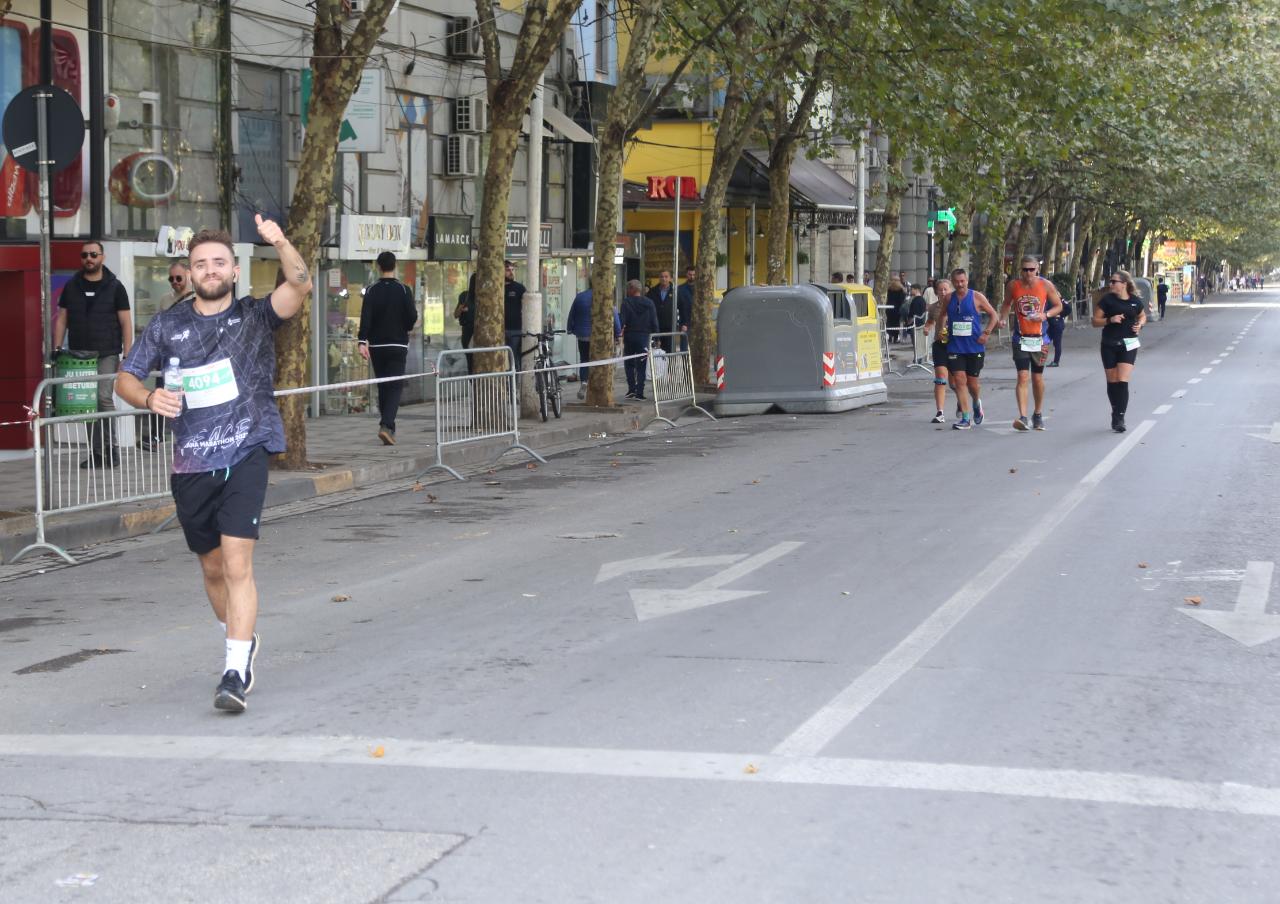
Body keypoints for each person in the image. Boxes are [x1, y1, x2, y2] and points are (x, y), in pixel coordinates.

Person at [115, 216, 310, 713]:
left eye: (219, 262)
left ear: (235, 271)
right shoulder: (167, 325)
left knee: (238, 561)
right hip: (191, 462)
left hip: (245, 451)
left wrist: (281, 242)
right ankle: (240, 639)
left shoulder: (255, 315)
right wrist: (147, 397)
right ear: (191, 271)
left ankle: (233, 669)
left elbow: (300, 283)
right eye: (201, 263)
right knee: (212, 566)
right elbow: (125, 378)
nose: (209, 269)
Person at [52, 240, 133, 468]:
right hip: (79, 356)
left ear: (102, 257)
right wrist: (56, 349)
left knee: (102, 398)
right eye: (85, 255)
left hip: (107, 352)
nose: (89, 258)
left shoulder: (115, 286)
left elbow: (126, 322)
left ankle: (111, 449)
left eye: (94, 254)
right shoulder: (71, 285)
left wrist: (127, 356)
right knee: (88, 403)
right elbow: (62, 319)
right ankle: (97, 453)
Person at [358, 251, 418, 446]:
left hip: (377, 345)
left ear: (378, 266)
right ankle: (386, 425)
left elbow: (365, 317)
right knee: (395, 386)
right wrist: (406, 327)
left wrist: (362, 341)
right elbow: (412, 316)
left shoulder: (372, 290)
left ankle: (388, 427)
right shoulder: (403, 289)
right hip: (398, 344)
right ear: (395, 266)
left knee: (383, 384)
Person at [999, 256, 1063, 431]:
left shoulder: (1045, 285)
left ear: (1037, 270)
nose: (1028, 273)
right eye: (1024, 269)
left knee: (1036, 377)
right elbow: (1006, 304)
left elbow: (1058, 306)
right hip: (1020, 337)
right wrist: (1002, 319)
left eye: (1031, 269)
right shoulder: (1013, 285)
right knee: (1022, 376)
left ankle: (1038, 413)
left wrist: (1045, 315)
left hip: (1040, 338)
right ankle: (1023, 416)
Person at [944, 268, 999, 429]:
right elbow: (941, 316)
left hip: (974, 347)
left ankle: (976, 402)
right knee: (960, 381)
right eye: (957, 282)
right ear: (953, 282)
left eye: (963, 281)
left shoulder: (976, 297)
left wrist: (986, 333)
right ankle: (965, 418)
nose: (960, 284)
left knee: (972, 384)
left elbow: (994, 315)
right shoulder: (949, 298)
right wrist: (940, 332)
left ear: (967, 281)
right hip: (955, 346)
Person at [1092, 269, 1146, 433]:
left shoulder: (1135, 301)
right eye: (1111, 281)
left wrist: (1140, 324)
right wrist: (1110, 319)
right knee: (1112, 380)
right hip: (1109, 343)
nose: (1111, 284)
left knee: (1122, 380)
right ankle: (1115, 410)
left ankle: (1120, 416)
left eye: (1114, 281)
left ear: (1124, 284)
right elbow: (1095, 321)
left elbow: (1142, 315)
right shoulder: (1107, 300)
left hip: (1128, 344)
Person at [566, 286, 622, 400]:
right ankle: (601, 386)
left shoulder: (580, 297)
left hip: (583, 335)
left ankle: (584, 383)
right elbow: (614, 315)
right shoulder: (605, 296)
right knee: (601, 361)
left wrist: (570, 329)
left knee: (584, 360)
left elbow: (572, 314)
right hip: (601, 336)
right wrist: (618, 333)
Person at [619, 279, 658, 400]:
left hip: (630, 336)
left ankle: (631, 389)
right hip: (644, 336)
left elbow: (622, 321)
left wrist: (618, 332)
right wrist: (657, 337)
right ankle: (640, 392)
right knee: (641, 364)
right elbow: (654, 320)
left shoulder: (626, 302)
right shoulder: (649, 303)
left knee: (629, 363)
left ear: (631, 289)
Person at [925, 278, 953, 423]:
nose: (943, 292)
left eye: (945, 289)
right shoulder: (934, 307)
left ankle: (962, 403)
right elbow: (930, 320)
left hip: (956, 346)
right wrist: (927, 327)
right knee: (941, 377)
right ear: (936, 292)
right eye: (940, 290)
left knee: (955, 382)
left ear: (950, 290)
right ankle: (940, 412)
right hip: (940, 344)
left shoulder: (957, 304)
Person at [502, 260, 527, 369]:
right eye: (507, 270)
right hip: (499, 330)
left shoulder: (519, 288)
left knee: (514, 360)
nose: (511, 272)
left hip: (515, 330)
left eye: (512, 270)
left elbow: (527, 309)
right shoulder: (496, 288)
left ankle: (514, 385)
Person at [648, 270, 676, 352]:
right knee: (656, 351)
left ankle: (669, 365)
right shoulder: (652, 291)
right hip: (656, 325)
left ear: (670, 278)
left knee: (669, 351)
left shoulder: (676, 291)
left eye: (666, 276)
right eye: (661, 276)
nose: (664, 279)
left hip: (670, 326)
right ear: (659, 278)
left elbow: (682, 306)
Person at [676, 265, 695, 350]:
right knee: (684, 347)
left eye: (694, 274)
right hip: (685, 322)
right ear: (686, 275)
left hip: (698, 323)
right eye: (690, 274)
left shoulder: (701, 289)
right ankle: (684, 363)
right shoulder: (680, 289)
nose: (692, 276)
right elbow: (677, 307)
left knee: (697, 347)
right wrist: (681, 323)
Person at [885, 277, 906, 342]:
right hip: (897, 308)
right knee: (896, 323)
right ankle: (895, 337)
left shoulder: (888, 289)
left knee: (889, 322)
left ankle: (890, 336)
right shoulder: (901, 290)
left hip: (889, 308)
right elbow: (902, 299)